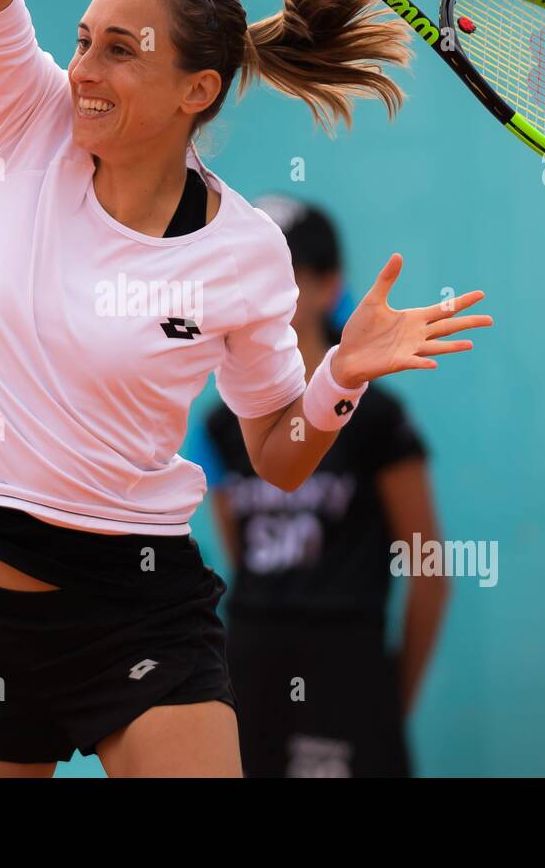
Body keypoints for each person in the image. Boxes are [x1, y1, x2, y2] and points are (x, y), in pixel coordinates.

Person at [0, 0, 493, 778]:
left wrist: (340, 375)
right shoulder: (20, 115)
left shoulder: (245, 251)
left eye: (122, 51)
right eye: (85, 39)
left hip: (141, 614)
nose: (84, 67)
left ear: (197, 92)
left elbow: (278, 456)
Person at [197, 196, 449, 777]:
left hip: (348, 666)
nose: (265, 299)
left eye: (286, 278)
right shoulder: (222, 422)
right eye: (251, 278)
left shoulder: (379, 416)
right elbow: (240, 556)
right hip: (251, 664)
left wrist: (384, 701)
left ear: (328, 286)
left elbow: (428, 570)